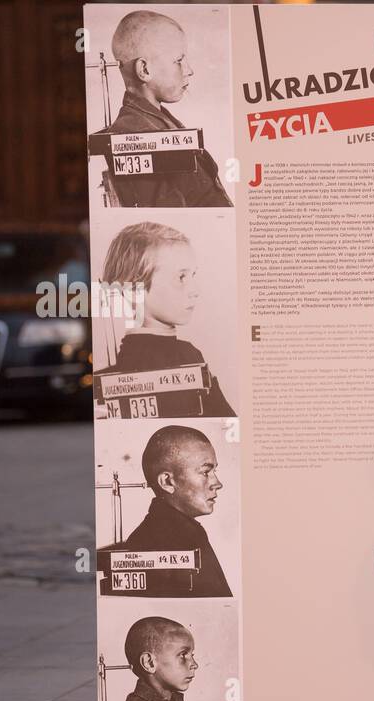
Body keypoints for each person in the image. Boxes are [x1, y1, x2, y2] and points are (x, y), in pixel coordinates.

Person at [97, 221, 236, 418]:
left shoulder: (128, 357)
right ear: (134, 290)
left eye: (192, 275)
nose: (195, 290)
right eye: (181, 277)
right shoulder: (186, 355)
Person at [100, 10, 232, 207]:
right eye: (178, 61)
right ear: (144, 70)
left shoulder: (156, 122)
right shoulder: (135, 135)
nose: (189, 70)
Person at [116, 425, 232, 598]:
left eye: (214, 471)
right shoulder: (166, 541)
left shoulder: (183, 533)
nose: (218, 483)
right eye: (206, 472)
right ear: (168, 482)